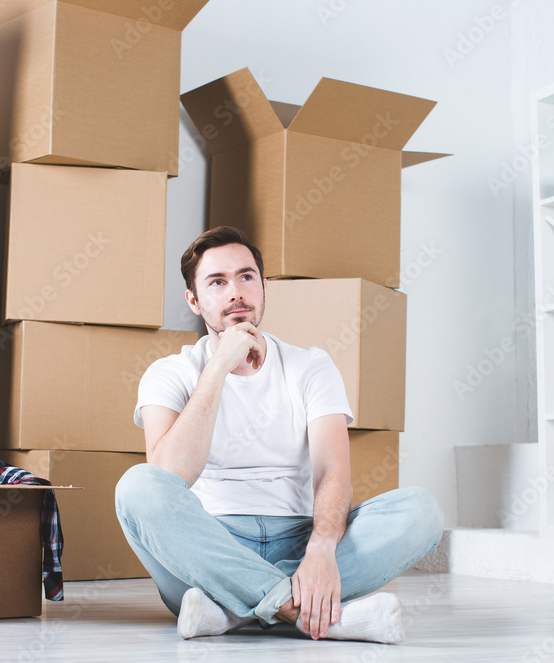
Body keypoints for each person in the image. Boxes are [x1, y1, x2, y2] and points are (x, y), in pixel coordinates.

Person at [115, 226, 443, 644]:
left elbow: (333, 472)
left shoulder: (311, 366)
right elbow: (167, 476)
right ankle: (299, 611)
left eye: (246, 277)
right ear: (194, 301)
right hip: (207, 551)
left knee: (421, 510)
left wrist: (322, 549)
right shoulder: (169, 373)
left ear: (264, 287)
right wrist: (218, 368)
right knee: (136, 487)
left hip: (300, 542)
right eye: (217, 282)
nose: (236, 292)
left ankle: (233, 610)